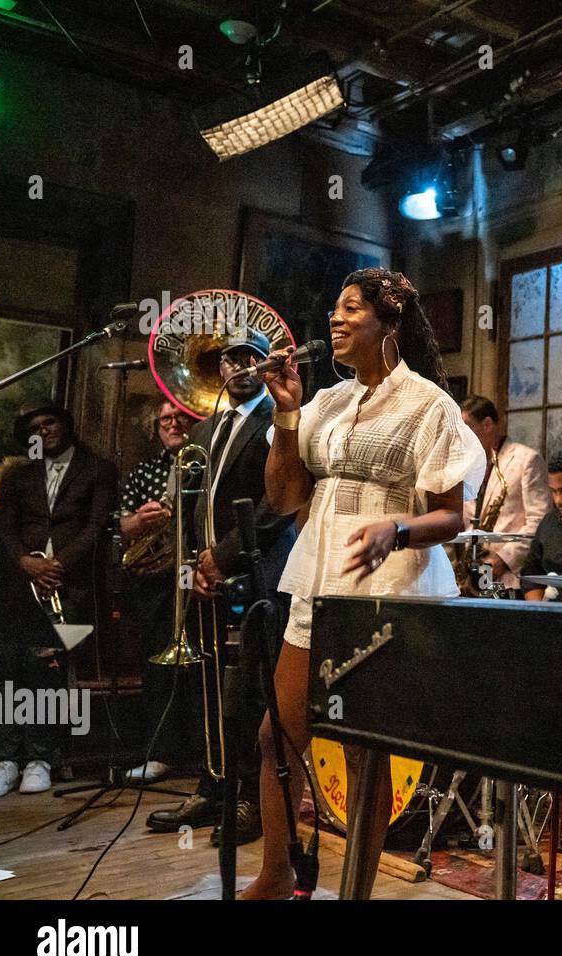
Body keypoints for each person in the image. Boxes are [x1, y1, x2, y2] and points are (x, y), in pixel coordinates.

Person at [243, 267, 483, 899]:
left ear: (391, 322)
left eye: (352, 309)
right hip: (318, 581)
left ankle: (357, 889)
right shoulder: (325, 403)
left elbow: (455, 516)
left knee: (364, 753)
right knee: (277, 734)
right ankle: (274, 875)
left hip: (389, 591)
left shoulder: (429, 404)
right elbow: (286, 495)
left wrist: (396, 529)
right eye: (335, 309)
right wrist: (289, 415)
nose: (336, 319)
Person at [145, 330, 296, 848]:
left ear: (263, 366)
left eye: (248, 358)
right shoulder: (204, 430)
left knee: (251, 687)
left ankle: (251, 796)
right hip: (207, 577)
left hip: (260, 572)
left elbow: (281, 502)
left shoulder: (277, 421)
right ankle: (212, 786)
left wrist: (222, 556)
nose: (237, 367)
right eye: (229, 359)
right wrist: (195, 564)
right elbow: (189, 506)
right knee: (208, 682)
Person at [0, 402, 116, 798]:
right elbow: (5, 528)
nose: (45, 431)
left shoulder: (98, 468)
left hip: (74, 589)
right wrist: (28, 564)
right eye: (36, 427)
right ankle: (5, 758)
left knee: (46, 666)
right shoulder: (17, 476)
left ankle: (42, 757)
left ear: (66, 422)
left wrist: (56, 566)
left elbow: (98, 526)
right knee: (4, 662)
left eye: (51, 422)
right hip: (21, 586)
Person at [120, 400, 194, 784]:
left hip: (195, 574)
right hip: (157, 579)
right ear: (157, 427)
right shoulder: (142, 473)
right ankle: (160, 751)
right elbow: (123, 525)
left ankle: (199, 751)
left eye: (180, 415)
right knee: (158, 666)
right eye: (166, 418)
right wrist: (139, 521)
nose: (174, 422)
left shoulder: (202, 459)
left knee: (200, 666)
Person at [459, 395, 550, 594]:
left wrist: (502, 560)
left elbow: (539, 520)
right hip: (472, 578)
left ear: (487, 424)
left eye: (467, 429)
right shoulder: (470, 465)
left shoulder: (527, 460)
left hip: (509, 579)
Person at [522, 445, 562, 602]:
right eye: (554, 491)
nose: (558, 501)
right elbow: (530, 575)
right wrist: (539, 613)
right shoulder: (548, 523)